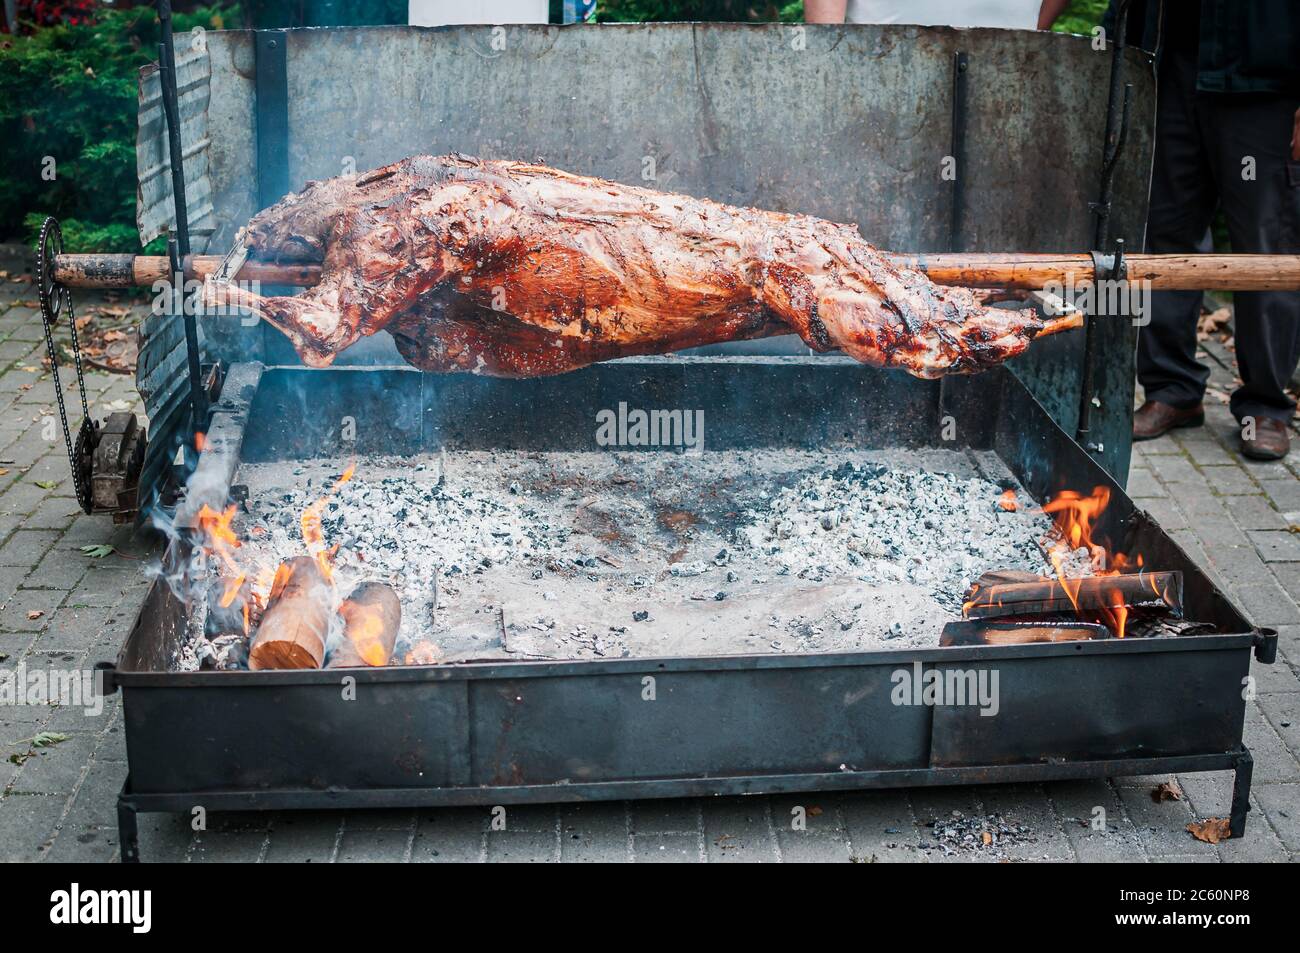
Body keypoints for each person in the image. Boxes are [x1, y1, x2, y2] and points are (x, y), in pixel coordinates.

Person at [1077, 1, 1300, 460]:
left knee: (1265, 242)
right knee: (1165, 232)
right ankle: (1171, 390)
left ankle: (1266, 406)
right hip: (1168, 66)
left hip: (1265, 79)